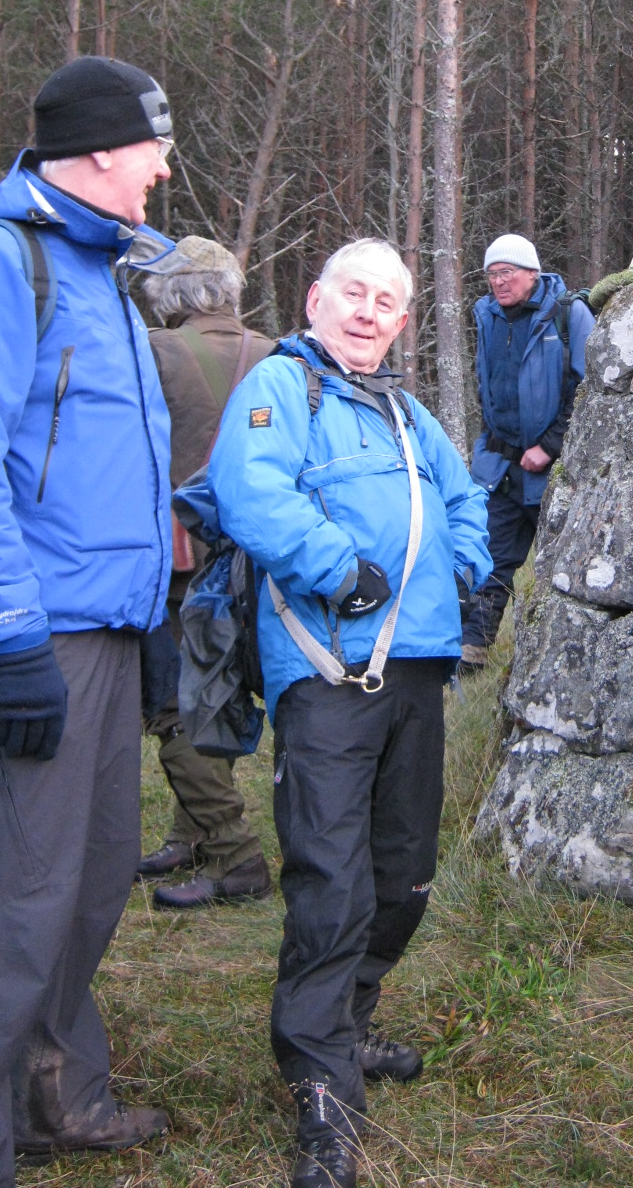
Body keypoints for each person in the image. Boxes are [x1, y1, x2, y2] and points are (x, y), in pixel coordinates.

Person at [0, 55, 178, 1185]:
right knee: (11, 904)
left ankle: (56, 1095)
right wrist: (15, 637)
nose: (166, 168)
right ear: (102, 149)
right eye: (156, 145)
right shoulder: (1, 262)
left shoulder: (105, 273)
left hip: (113, 635)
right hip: (39, 640)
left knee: (92, 878)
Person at [206, 238, 492, 1188]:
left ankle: (349, 1020)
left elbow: (465, 500)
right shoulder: (283, 390)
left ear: (404, 321)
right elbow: (249, 492)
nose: (369, 313)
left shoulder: (411, 415)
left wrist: (463, 567)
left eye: (389, 302)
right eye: (354, 295)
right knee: (331, 876)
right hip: (327, 674)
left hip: (416, 672)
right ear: (316, 299)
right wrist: (343, 572)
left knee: (403, 872)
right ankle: (321, 1088)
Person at [136, 235, 275, 908]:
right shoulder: (277, 355)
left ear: (169, 293)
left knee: (176, 706)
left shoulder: (155, 353)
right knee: (215, 689)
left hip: (179, 560)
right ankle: (187, 836)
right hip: (255, 558)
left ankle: (233, 853)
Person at [461, 234, 594, 666]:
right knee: (490, 560)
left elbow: (590, 389)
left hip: (551, 468)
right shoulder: (488, 317)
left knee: (558, 566)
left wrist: (550, 446)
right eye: (492, 275)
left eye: (507, 273)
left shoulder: (568, 315)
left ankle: (553, 657)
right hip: (500, 466)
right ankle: (471, 653)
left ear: (532, 274)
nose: (499, 283)